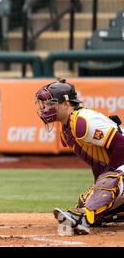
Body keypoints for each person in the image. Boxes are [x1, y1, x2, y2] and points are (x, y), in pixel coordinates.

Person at [35, 79, 124, 235]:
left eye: (50, 103)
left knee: (109, 180)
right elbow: (97, 163)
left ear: (66, 104)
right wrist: (99, 185)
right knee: (87, 200)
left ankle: (83, 217)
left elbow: (121, 144)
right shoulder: (67, 130)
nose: (45, 108)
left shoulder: (82, 121)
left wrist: (109, 174)